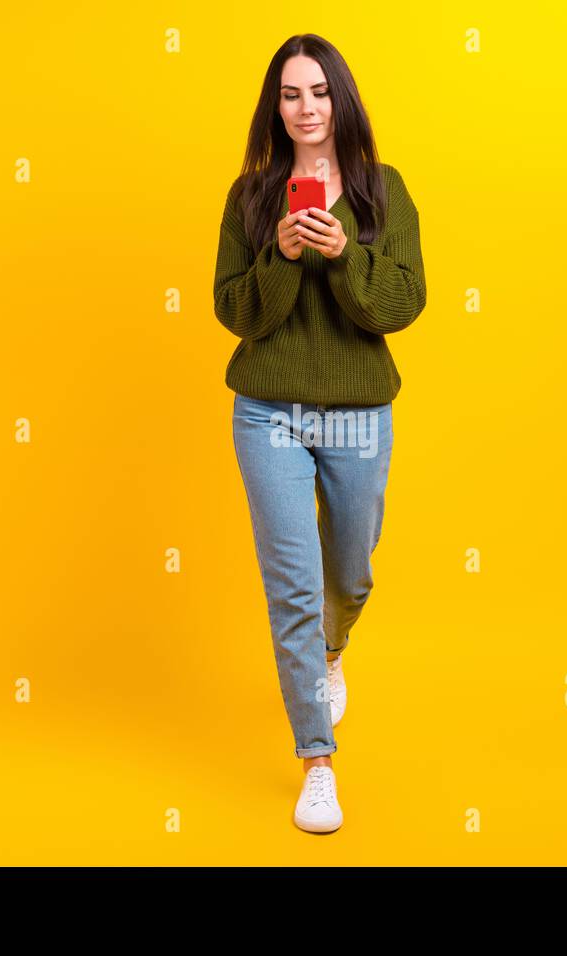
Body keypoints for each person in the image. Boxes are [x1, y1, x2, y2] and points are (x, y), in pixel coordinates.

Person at [212, 33, 427, 833]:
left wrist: (342, 259)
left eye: (319, 92)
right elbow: (235, 313)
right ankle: (317, 760)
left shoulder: (383, 192)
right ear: (276, 106)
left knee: (351, 572)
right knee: (293, 587)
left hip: (360, 416)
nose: (305, 108)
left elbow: (398, 308)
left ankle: (332, 652)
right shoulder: (251, 196)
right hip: (267, 411)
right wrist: (277, 255)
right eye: (290, 94)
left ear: (341, 99)